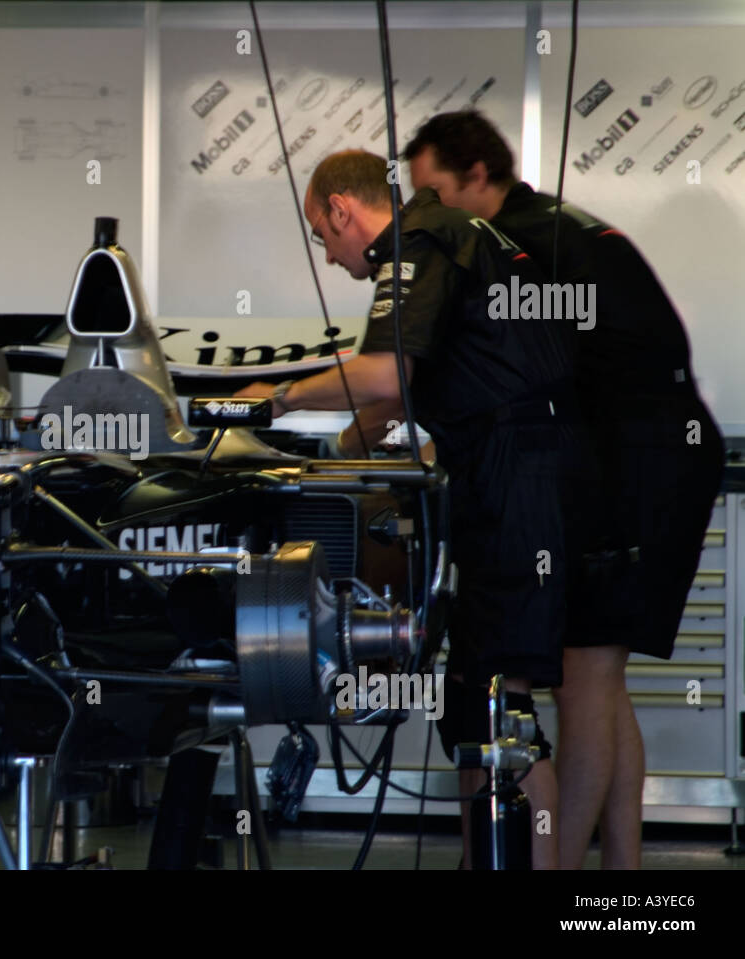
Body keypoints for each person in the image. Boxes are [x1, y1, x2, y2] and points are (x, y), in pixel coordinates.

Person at [236, 149, 580, 868]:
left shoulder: (420, 243)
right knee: (479, 704)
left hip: (516, 482)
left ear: (340, 208)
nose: (329, 257)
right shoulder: (451, 234)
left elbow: (384, 372)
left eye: (322, 236)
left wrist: (275, 397)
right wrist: (330, 460)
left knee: (501, 712)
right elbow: (396, 395)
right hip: (513, 474)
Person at [403, 111, 725, 868]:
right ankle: (619, 874)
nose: (426, 214)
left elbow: (512, 383)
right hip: (663, 450)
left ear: (478, 175)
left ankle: (561, 870)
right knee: (603, 677)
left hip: (635, 461)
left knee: (584, 670)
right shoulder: (549, 225)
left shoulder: (516, 245)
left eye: (434, 193)